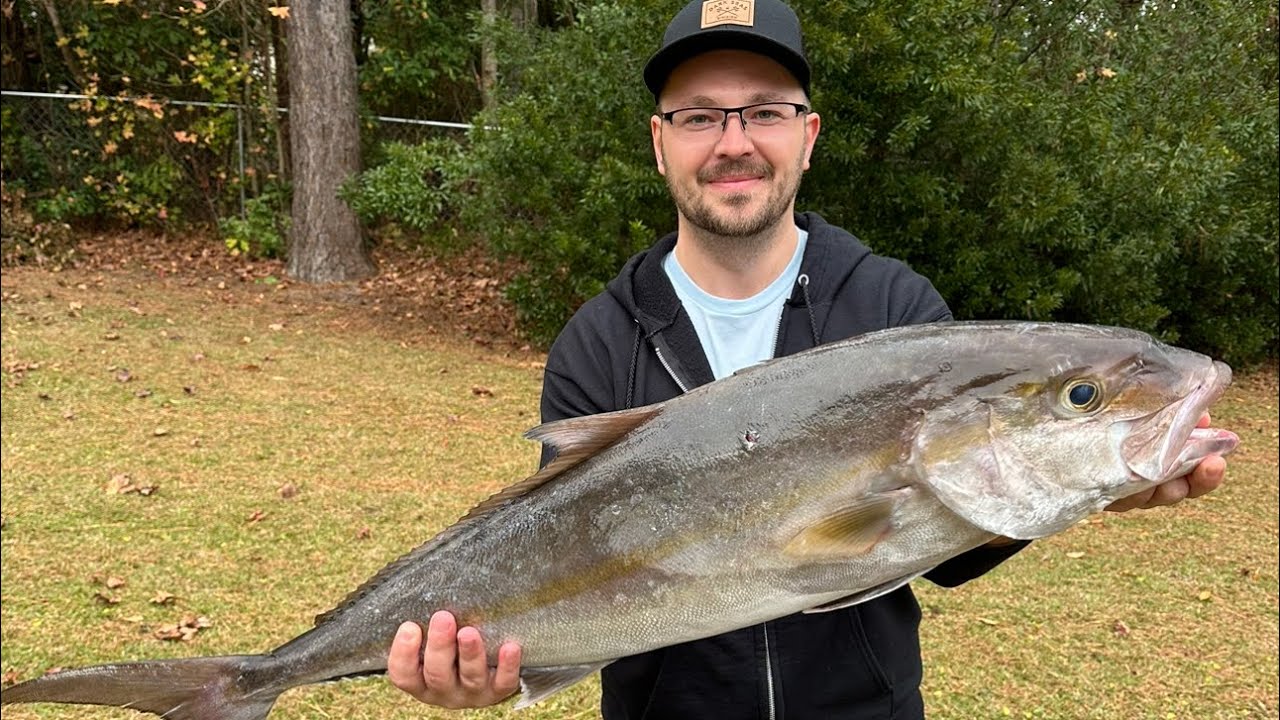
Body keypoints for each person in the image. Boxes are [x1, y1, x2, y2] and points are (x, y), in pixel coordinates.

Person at [387, 0, 1229, 716]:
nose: (733, 141)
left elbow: (951, 540)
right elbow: (563, 552)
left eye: (764, 110)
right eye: (699, 115)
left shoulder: (896, 311)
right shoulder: (598, 339)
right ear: (659, 141)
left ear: (808, 133)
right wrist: (480, 660)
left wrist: (1089, 483)